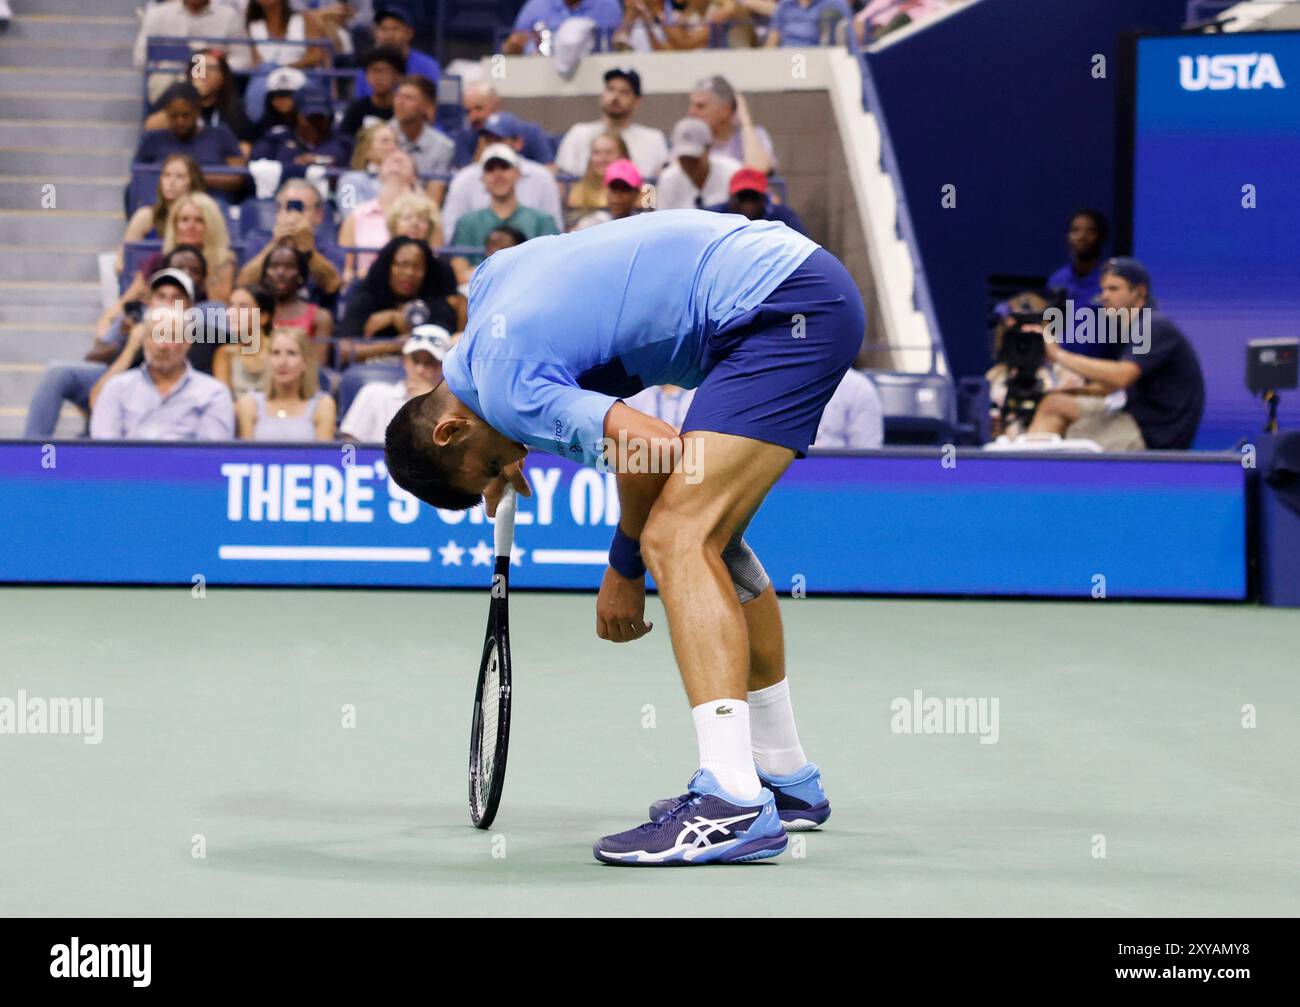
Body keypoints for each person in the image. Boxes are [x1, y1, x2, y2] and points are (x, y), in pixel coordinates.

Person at [384, 209, 865, 864]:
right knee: (713, 541)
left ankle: (730, 801)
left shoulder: (509, 388)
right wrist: (498, 457)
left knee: (676, 536)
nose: (510, 467)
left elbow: (652, 448)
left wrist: (624, 565)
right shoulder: (490, 289)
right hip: (793, 283)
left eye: (491, 468)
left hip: (779, 310)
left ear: (449, 430)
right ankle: (783, 776)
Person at [1027, 258, 1205, 450]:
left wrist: (1059, 355)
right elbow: (1111, 388)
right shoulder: (1125, 328)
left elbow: (1122, 377)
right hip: (1132, 414)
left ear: (1139, 292)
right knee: (1055, 404)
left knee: (1071, 439)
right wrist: (1070, 390)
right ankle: (1029, 472)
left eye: (1113, 289)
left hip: (1153, 433)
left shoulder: (1153, 325)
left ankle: (1032, 473)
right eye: (1103, 289)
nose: (1104, 296)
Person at [89, 269, 235, 441]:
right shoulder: (119, 385)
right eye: (156, 335)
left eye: (171, 336)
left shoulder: (212, 392)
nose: (163, 345)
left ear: (188, 341)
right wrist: (131, 348)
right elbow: (104, 443)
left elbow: (212, 454)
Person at [335, 235, 459, 412]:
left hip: (427, 389)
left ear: (426, 271)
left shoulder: (437, 305)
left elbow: (446, 350)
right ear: (388, 266)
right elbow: (345, 351)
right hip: (374, 384)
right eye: (401, 264)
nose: (409, 273)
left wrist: (404, 331)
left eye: (417, 267)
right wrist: (395, 345)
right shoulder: (365, 299)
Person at [99, 193, 233, 341]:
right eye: (184, 220)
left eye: (199, 220)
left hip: (202, 334)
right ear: (175, 226)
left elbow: (222, 313)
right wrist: (105, 329)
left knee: (209, 309)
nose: (190, 226)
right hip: (158, 329)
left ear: (211, 227)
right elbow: (124, 304)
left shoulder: (223, 263)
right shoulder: (157, 261)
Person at [447, 144, 559, 282]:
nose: (497, 175)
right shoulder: (467, 222)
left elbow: (552, 266)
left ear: (518, 173)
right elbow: (459, 270)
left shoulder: (542, 220)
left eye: (504, 167)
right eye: (490, 169)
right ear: (482, 177)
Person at [441, 115, 564, 240]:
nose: (494, 146)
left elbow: (554, 233)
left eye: (499, 139)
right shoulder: (464, 178)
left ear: (518, 143)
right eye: (488, 140)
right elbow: (451, 233)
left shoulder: (542, 176)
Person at [339, 325, 452, 442]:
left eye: (430, 363)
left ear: (445, 367)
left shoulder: (452, 408)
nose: (420, 369)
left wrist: (431, 402)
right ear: (404, 361)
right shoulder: (373, 393)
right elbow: (348, 446)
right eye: (415, 360)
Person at [553, 68, 668, 181]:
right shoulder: (578, 133)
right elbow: (564, 182)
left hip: (636, 199)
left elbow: (653, 186)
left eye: (624, 92)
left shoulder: (653, 139)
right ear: (602, 95)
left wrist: (645, 200)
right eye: (610, 89)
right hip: (585, 199)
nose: (615, 97)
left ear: (637, 101)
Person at [133, 82, 247, 194]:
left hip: (211, 201)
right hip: (164, 202)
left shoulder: (221, 134)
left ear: (197, 112)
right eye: (174, 116)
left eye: (185, 115)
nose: (180, 121)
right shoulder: (152, 139)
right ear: (166, 113)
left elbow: (237, 177)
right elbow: (139, 176)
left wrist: (196, 179)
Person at [238, 178, 343, 297]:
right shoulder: (258, 241)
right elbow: (243, 285)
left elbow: (332, 286)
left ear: (318, 215)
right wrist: (274, 244)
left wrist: (309, 252)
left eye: (300, 207)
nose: (294, 214)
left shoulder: (329, 247)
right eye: (288, 207)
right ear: (278, 211)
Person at [143, 48, 255, 153]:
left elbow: (245, 147)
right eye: (199, 68)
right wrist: (190, 95)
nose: (203, 74)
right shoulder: (176, 93)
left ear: (223, 78)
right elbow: (150, 126)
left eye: (211, 69)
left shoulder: (233, 106)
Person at [235, 326, 336, 440]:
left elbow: (323, 456)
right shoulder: (249, 404)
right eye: (276, 353)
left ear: (305, 362)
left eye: (291, 353)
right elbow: (246, 455)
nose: (282, 362)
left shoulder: (322, 405)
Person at [338, 149, 419, 283]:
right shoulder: (357, 214)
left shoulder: (423, 215)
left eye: (402, 161)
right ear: (379, 173)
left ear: (415, 176)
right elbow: (345, 268)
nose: (396, 162)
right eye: (391, 160)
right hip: (365, 283)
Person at [117, 153, 204, 274]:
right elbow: (121, 263)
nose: (171, 182)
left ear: (193, 182)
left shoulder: (202, 218)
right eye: (166, 175)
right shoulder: (145, 216)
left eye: (180, 177)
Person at [249, 87, 351, 180]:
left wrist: (334, 173)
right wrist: (292, 166)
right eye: (310, 118)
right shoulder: (276, 139)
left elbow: (353, 181)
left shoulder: (343, 144)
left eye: (321, 117)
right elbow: (252, 172)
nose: (316, 123)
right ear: (296, 115)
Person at [451, 81, 553, 169]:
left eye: (479, 108)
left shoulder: (530, 133)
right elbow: (464, 177)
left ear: (497, 106)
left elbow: (549, 170)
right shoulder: (465, 136)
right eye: (467, 112)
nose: (472, 117)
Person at [687, 76, 776, 174]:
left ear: (725, 110)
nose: (692, 112)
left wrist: (745, 118)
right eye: (692, 105)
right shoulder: (691, 138)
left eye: (700, 106)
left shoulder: (754, 135)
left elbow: (758, 169)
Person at [259, 241, 334, 356]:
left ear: (300, 276)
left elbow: (318, 366)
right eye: (274, 266)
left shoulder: (320, 317)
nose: (281, 272)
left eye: (289, 267)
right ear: (265, 276)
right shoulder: (254, 314)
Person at [133, 0, 251, 72]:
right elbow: (141, 57)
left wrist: (212, 68)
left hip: (213, 82)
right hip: (170, 79)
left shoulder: (230, 17)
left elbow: (243, 60)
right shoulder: (157, 14)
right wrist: (172, 62)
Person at [351, 4, 440, 97]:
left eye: (395, 29)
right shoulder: (367, 67)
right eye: (383, 29)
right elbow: (360, 102)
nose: (389, 35)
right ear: (375, 33)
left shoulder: (427, 66)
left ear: (409, 33)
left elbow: (436, 102)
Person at [654, 117, 740, 210]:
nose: (688, 164)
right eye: (683, 158)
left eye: (693, 158)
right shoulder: (668, 179)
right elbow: (664, 219)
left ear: (708, 149)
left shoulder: (731, 172)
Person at [391, 75, 454, 200]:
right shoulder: (381, 136)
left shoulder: (443, 146)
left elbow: (433, 200)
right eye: (398, 96)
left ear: (426, 106)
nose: (400, 102)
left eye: (409, 98)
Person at [213, 285, 278, 398]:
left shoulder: (278, 351)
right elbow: (223, 400)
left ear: (264, 317)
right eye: (231, 306)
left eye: (243, 307)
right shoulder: (225, 353)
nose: (232, 313)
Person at [705, 167, 806, 234]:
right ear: (731, 198)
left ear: (763, 198)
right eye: (742, 196)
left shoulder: (782, 215)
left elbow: (805, 245)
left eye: (754, 196)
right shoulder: (715, 217)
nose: (748, 203)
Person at [504, 0, 624, 55]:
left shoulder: (608, 5)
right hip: (541, 77)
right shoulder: (535, 6)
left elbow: (619, 49)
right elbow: (514, 46)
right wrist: (514, 48)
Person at [565, 132, 629, 228]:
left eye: (609, 152)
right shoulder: (578, 190)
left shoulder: (637, 189)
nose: (602, 158)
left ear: (622, 156)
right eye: (596, 153)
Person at [340, 46, 404, 137]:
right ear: (366, 77)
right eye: (373, 71)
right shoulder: (357, 110)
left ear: (398, 76)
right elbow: (344, 142)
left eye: (384, 71)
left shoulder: (405, 110)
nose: (378, 77)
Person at [245, 0, 328, 69]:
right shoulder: (254, 27)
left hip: (301, 80)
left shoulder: (305, 19)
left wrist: (284, 68)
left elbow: (316, 55)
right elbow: (256, 62)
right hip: (267, 81)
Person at [572, 158, 645, 230]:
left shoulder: (644, 225)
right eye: (613, 189)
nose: (618, 196)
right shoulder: (590, 225)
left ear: (636, 193)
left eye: (625, 189)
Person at [766, 0, 851, 47]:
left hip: (819, 55)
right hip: (786, 53)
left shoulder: (835, 4)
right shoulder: (785, 4)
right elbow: (774, 36)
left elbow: (850, 35)